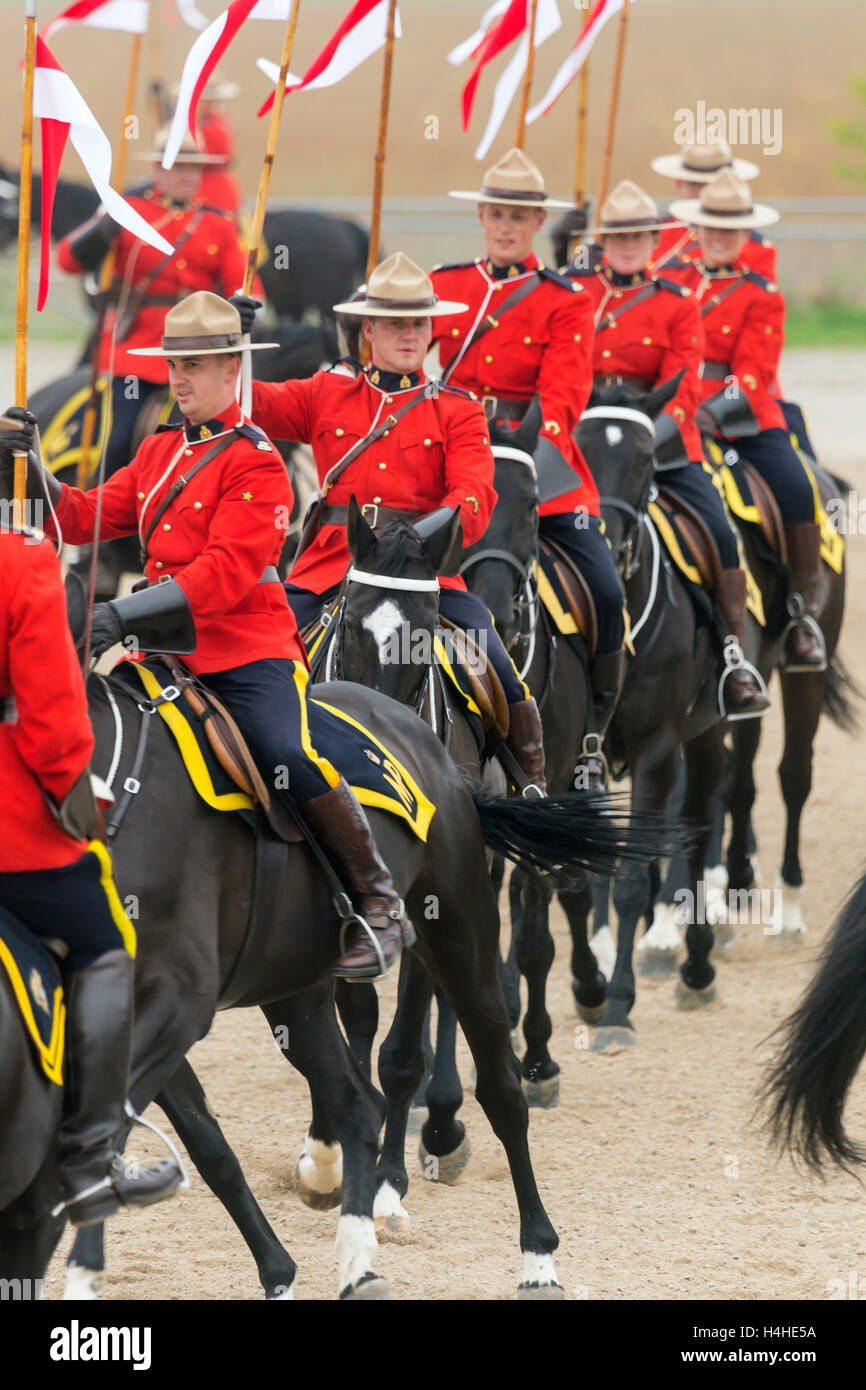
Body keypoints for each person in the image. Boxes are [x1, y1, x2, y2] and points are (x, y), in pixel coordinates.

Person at [2, 293, 413, 980]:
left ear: (232, 369)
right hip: (163, 652)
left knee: (286, 748)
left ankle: (377, 899)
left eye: (194, 366)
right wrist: (32, 470)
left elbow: (226, 572)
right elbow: (86, 515)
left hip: (245, 653)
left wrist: (124, 615)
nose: (181, 379)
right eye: (174, 366)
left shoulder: (257, 461)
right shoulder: (162, 448)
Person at [231, 252, 547, 793]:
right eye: (396, 323)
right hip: (332, 567)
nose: (409, 334)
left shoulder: (458, 408)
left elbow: (475, 492)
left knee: (492, 656)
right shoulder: (327, 393)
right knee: (262, 652)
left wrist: (432, 534)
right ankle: (250, 777)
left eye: (419, 323)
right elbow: (244, 408)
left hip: (421, 573)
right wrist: (233, 350)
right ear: (368, 329)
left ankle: (529, 780)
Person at [0, 519, 181, 1226]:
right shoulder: (21, 560)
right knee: (106, 942)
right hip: (14, 832)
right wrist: (74, 796)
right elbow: (52, 719)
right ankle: (88, 1159)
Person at [428, 147, 627, 789]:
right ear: (482, 216)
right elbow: (392, 345)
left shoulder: (564, 300)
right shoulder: (446, 286)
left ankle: (592, 738)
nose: (507, 225)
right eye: (498, 214)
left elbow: (565, 394)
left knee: (605, 588)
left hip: (530, 453)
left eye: (520, 215)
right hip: (453, 450)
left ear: (536, 222)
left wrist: (517, 450)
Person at [569, 180, 768, 718]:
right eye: (617, 235)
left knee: (721, 533)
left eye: (638, 235)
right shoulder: (576, 294)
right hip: (582, 437)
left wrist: (642, 441)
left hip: (658, 441)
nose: (627, 244)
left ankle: (732, 656)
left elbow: (681, 388)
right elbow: (563, 371)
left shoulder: (677, 304)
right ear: (603, 241)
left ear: (655, 240)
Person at [667, 172, 826, 670]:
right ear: (697, 226)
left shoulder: (762, 294)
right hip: (675, 414)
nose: (718, 236)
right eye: (711, 225)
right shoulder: (671, 280)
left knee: (798, 488)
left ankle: (804, 613)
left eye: (730, 229)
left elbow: (755, 375)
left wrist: (710, 412)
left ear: (743, 235)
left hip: (742, 422)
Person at [56, 128, 260, 480]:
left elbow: (247, 286)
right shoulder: (126, 211)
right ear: (158, 170)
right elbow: (68, 261)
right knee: (119, 439)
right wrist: (100, 232)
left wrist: (242, 306)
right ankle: (106, 518)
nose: (185, 175)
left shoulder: (219, 224)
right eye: (176, 166)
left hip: (202, 347)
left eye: (193, 168)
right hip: (137, 350)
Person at [648, 141, 776, 278]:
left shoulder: (756, 249)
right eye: (694, 184)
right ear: (678, 184)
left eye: (712, 185)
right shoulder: (652, 236)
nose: (703, 193)